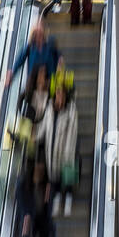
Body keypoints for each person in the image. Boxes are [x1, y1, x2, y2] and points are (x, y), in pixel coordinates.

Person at [46, 80, 79, 218]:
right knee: (54, 176)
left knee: (68, 175)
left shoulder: (71, 109)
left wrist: (68, 150)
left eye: (61, 94)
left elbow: (73, 130)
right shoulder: (50, 108)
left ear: (65, 96)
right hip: (53, 147)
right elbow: (45, 126)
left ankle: (68, 200)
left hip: (67, 147)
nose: (59, 96)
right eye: (57, 93)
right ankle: (57, 199)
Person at [5, 19, 61, 90]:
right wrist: (12, 73)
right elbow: (20, 60)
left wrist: (58, 66)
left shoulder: (50, 46)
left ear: (44, 33)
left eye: (40, 34)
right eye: (36, 34)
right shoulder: (29, 47)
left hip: (49, 81)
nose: (38, 37)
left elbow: (57, 56)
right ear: (33, 34)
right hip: (33, 82)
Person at [18, 158, 53, 237]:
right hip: (29, 216)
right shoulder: (25, 185)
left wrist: (48, 210)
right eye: (37, 174)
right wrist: (26, 213)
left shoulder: (45, 184)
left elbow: (48, 199)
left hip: (42, 216)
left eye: (41, 175)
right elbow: (21, 199)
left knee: (43, 236)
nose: (39, 177)